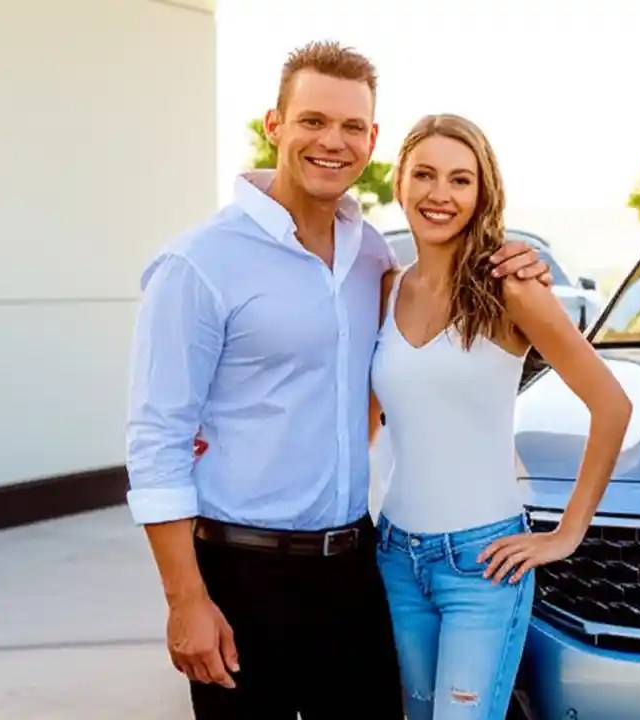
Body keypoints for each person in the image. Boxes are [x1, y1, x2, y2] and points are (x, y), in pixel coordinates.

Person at [124, 41, 552, 719]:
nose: (334, 141)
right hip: (242, 573)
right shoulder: (198, 263)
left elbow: (379, 390)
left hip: (356, 568)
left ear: (373, 139)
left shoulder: (372, 255)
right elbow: (156, 441)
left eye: (353, 127)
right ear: (275, 124)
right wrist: (186, 599)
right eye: (314, 120)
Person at [369, 112, 632, 720]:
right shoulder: (386, 287)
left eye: (461, 180)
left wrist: (566, 534)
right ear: (398, 183)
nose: (441, 194)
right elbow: (371, 419)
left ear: (482, 192)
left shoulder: (509, 289)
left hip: (482, 565)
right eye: (425, 175)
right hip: (396, 557)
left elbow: (611, 404)